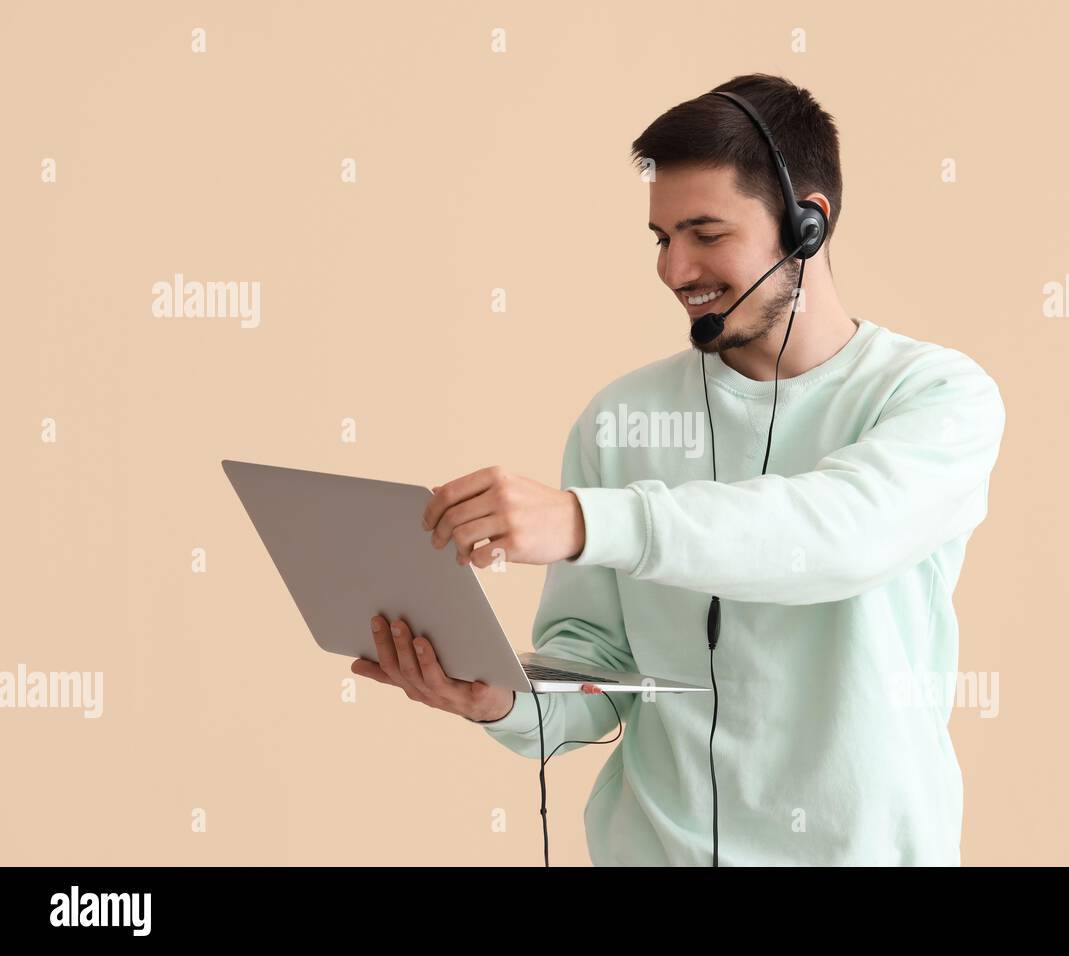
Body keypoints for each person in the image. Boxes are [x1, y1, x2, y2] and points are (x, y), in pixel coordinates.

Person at [351, 73, 1007, 866]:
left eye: (706, 233)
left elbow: (842, 532)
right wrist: (502, 703)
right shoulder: (618, 417)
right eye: (662, 239)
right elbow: (597, 674)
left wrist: (589, 520)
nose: (674, 270)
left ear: (808, 225)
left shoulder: (936, 395)